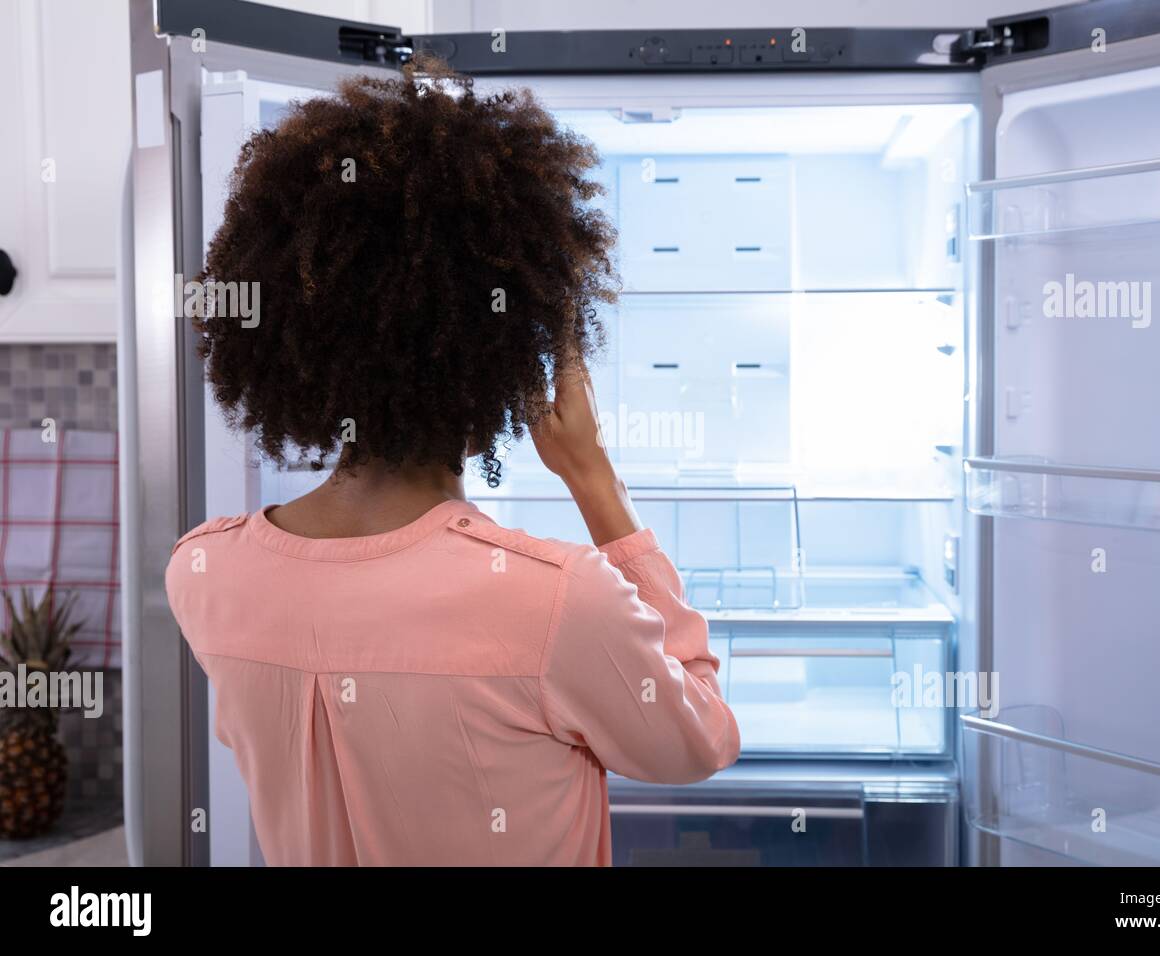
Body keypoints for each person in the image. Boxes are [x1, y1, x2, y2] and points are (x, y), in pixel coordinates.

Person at [164, 58, 739, 866]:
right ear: (502, 357)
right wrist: (593, 477)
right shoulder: (560, 603)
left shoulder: (202, 573)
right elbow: (701, 739)